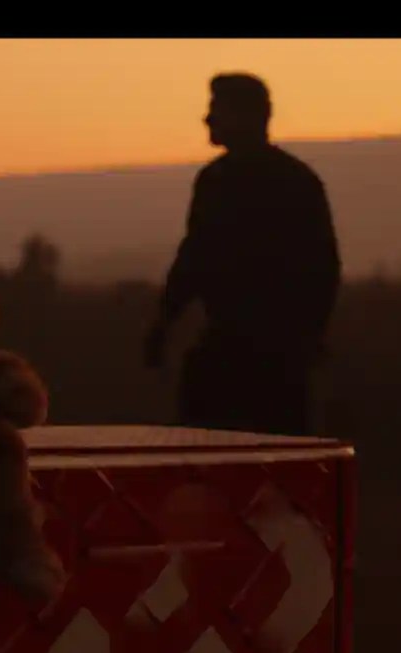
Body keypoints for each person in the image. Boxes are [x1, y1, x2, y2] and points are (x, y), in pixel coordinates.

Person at [144, 73, 341, 437]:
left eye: (216, 109)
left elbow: (320, 269)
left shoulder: (275, 183)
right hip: (253, 351)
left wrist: (165, 322)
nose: (207, 119)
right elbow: (194, 259)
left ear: (247, 115)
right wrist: (165, 322)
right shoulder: (231, 180)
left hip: (273, 354)